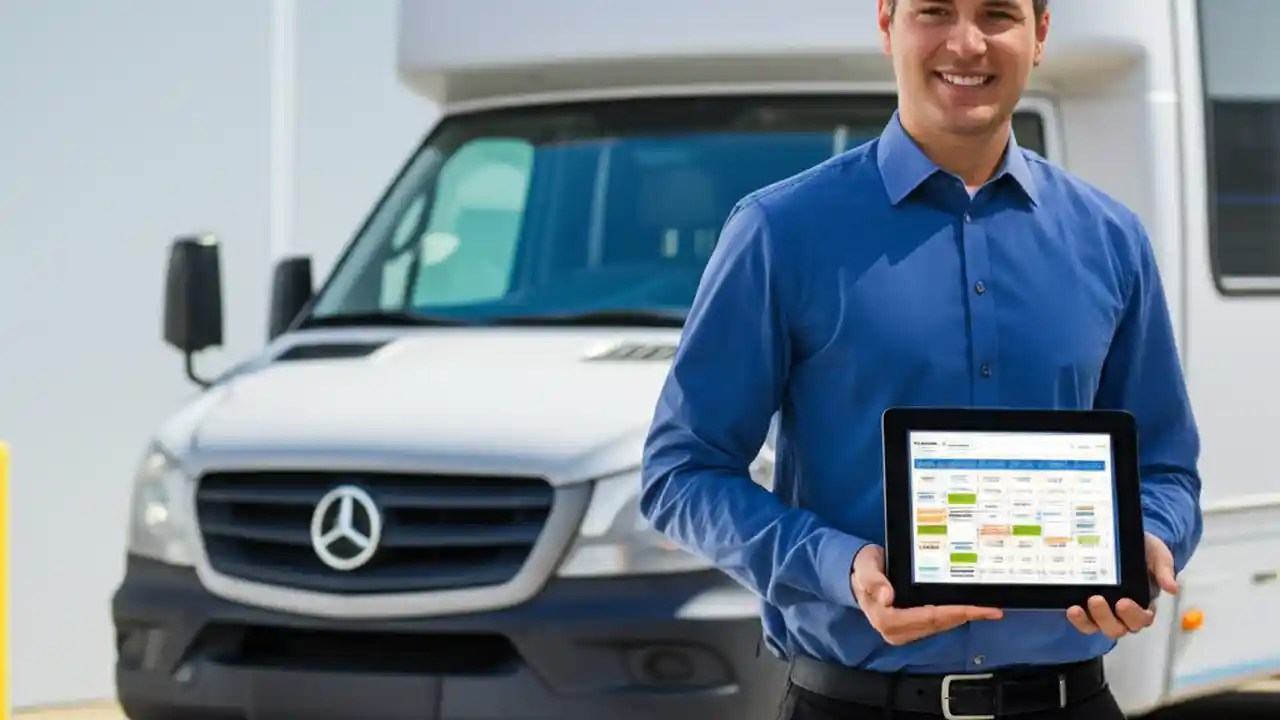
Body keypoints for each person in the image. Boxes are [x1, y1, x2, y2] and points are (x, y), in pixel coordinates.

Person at [639, 0, 1203, 718]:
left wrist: (1146, 540)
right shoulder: (782, 231)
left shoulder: (1112, 240)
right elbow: (680, 473)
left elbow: (1166, 468)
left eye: (997, 14)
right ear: (887, 25)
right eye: (935, 10)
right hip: (853, 703)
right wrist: (840, 566)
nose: (966, 43)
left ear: (1039, 36)